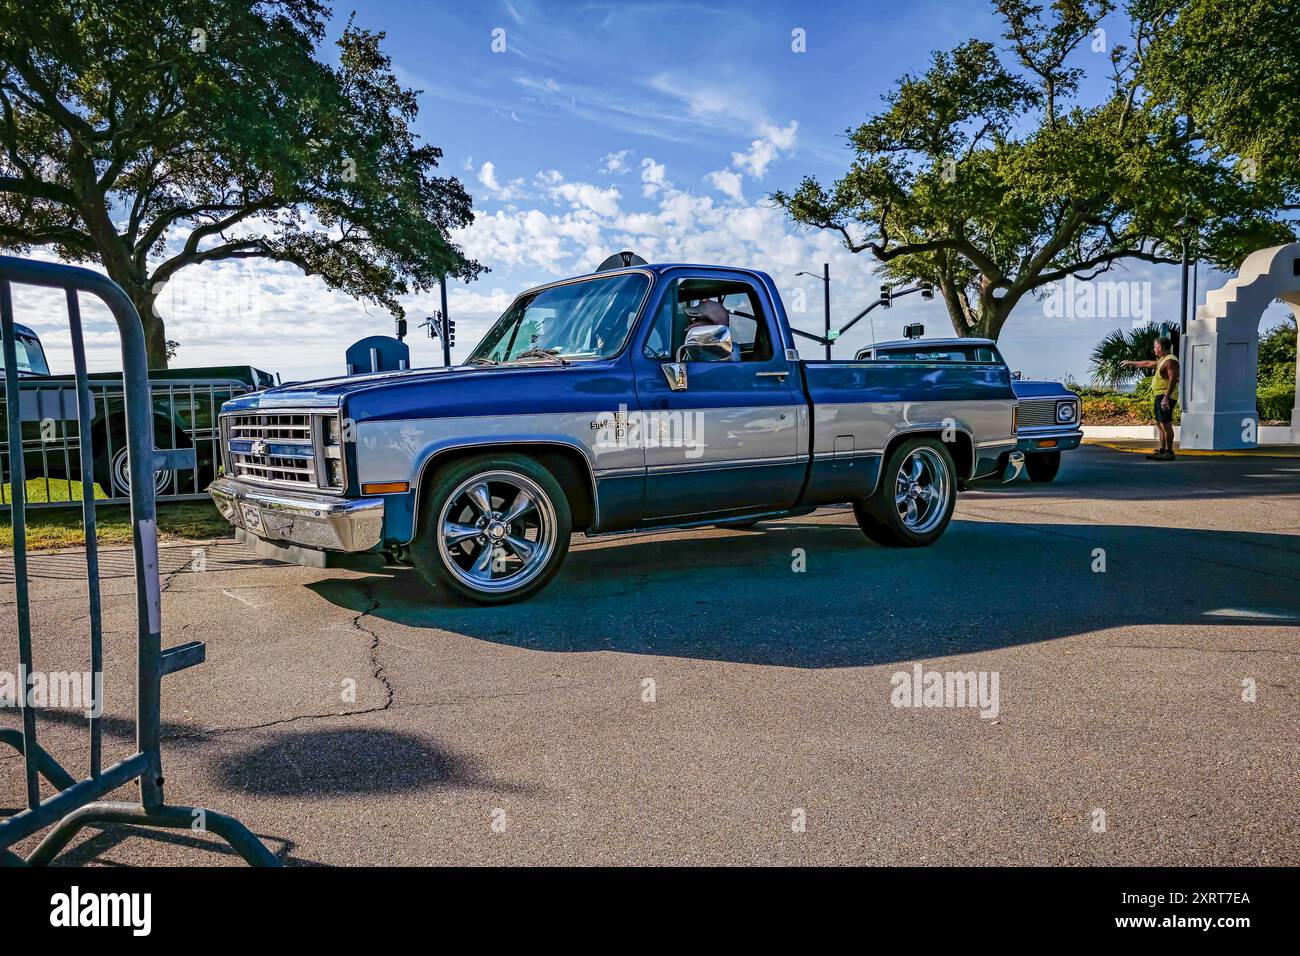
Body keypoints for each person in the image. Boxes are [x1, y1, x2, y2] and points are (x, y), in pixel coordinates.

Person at [1121, 336, 1180, 461]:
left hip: (1165, 396)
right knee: (1160, 424)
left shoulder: (1171, 361)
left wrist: (1166, 398)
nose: (1154, 349)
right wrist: (1131, 363)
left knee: (1166, 424)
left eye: (1155, 347)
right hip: (1160, 395)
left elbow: (1173, 379)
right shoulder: (1163, 360)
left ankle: (1169, 452)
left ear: (1159, 347)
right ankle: (1162, 450)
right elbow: (1148, 363)